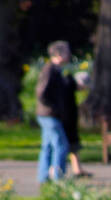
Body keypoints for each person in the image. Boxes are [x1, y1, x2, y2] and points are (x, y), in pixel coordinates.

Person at [36, 41, 76, 183]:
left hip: (47, 114)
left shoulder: (55, 70)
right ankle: (59, 178)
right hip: (50, 114)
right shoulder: (50, 70)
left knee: (47, 146)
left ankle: (43, 177)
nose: (69, 55)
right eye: (66, 52)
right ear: (58, 54)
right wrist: (54, 107)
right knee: (61, 145)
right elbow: (41, 92)